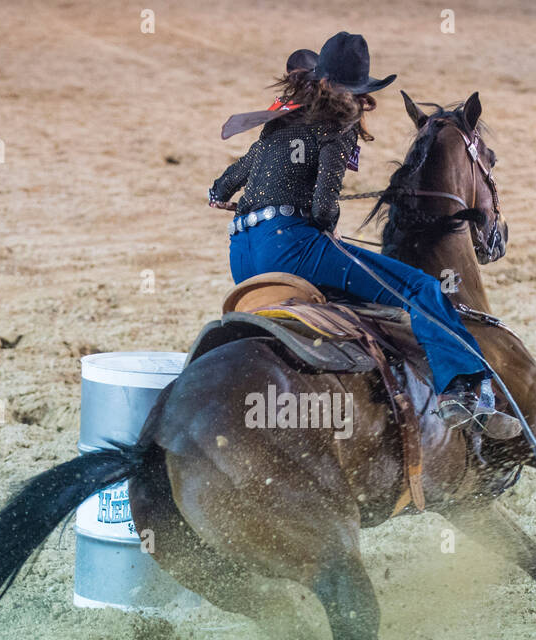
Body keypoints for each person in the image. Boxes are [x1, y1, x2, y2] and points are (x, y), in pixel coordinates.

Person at [209, 32, 519, 439]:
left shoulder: (281, 121)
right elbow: (322, 206)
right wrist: (327, 227)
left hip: (242, 254)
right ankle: (459, 390)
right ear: (360, 91)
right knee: (421, 289)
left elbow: (225, 183)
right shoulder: (338, 130)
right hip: (290, 249)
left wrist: (221, 196)